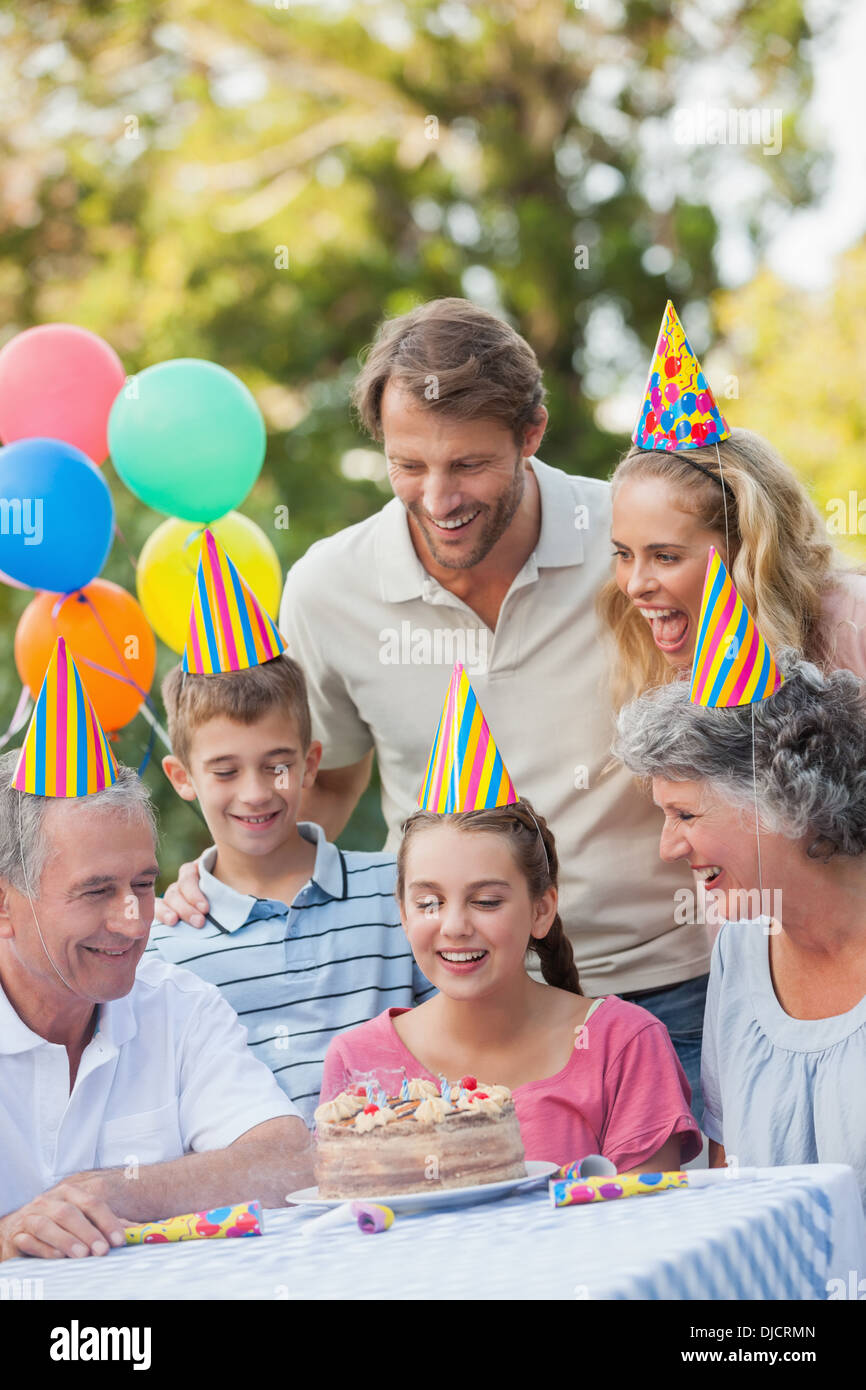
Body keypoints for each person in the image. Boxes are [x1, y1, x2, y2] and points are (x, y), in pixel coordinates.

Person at [157, 297, 711, 1110]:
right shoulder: (329, 589)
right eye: (409, 466)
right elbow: (325, 781)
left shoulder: (624, 542)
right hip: (464, 1020)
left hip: (672, 991)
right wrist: (222, 878)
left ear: (532, 434)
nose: (439, 498)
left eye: (469, 465)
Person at [150, 541, 434, 1125]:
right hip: (253, 1208)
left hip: (407, 1185)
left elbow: (459, 1042)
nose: (255, 792)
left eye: (276, 765)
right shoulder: (166, 947)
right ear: (182, 778)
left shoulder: (398, 894)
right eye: (225, 771)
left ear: (310, 764)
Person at [0, 751, 311, 1262]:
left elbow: (290, 1162)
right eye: (97, 891)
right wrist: (10, 1236)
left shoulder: (180, 1008)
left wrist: (117, 1190)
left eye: (144, 884)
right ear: (5, 905)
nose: (134, 921)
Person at [319, 800, 702, 1171]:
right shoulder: (357, 1060)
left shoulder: (624, 1043)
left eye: (486, 901)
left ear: (541, 910)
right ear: (403, 913)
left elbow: (650, 1220)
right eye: (429, 902)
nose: (454, 926)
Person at [613, 655, 866, 1201]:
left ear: (778, 802)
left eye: (685, 815)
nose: (667, 848)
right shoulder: (740, 949)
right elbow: (732, 1182)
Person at [600, 427, 866, 709]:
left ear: (749, 548)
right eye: (624, 553)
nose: (635, 585)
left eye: (665, 557)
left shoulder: (854, 622)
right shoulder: (655, 658)